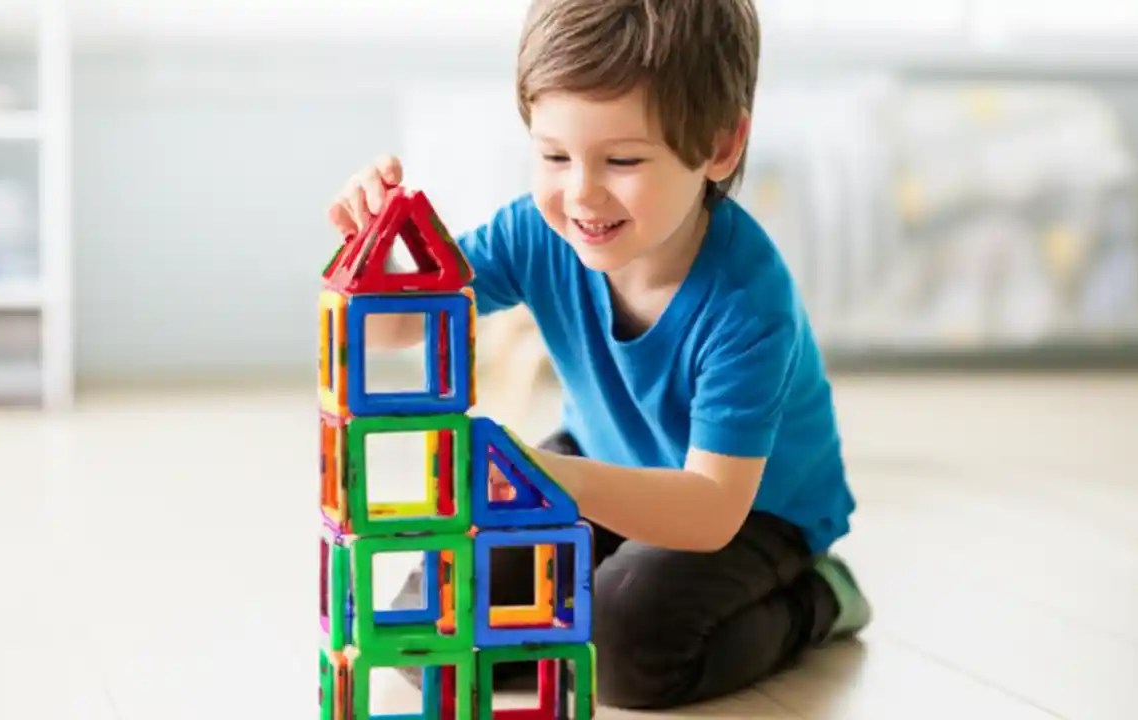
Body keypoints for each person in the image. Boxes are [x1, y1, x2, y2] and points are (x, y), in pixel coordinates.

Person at [325, 0, 870, 710]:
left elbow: (709, 511)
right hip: (600, 464)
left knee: (629, 648)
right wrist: (371, 256)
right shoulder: (537, 233)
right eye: (554, 155)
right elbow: (396, 331)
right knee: (430, 632)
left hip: (753, 511)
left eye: (622, 160)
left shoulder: (746, 303)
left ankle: (819, 600)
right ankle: (585, 599)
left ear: (720, 145)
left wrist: (550, 480)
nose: (580, 193)